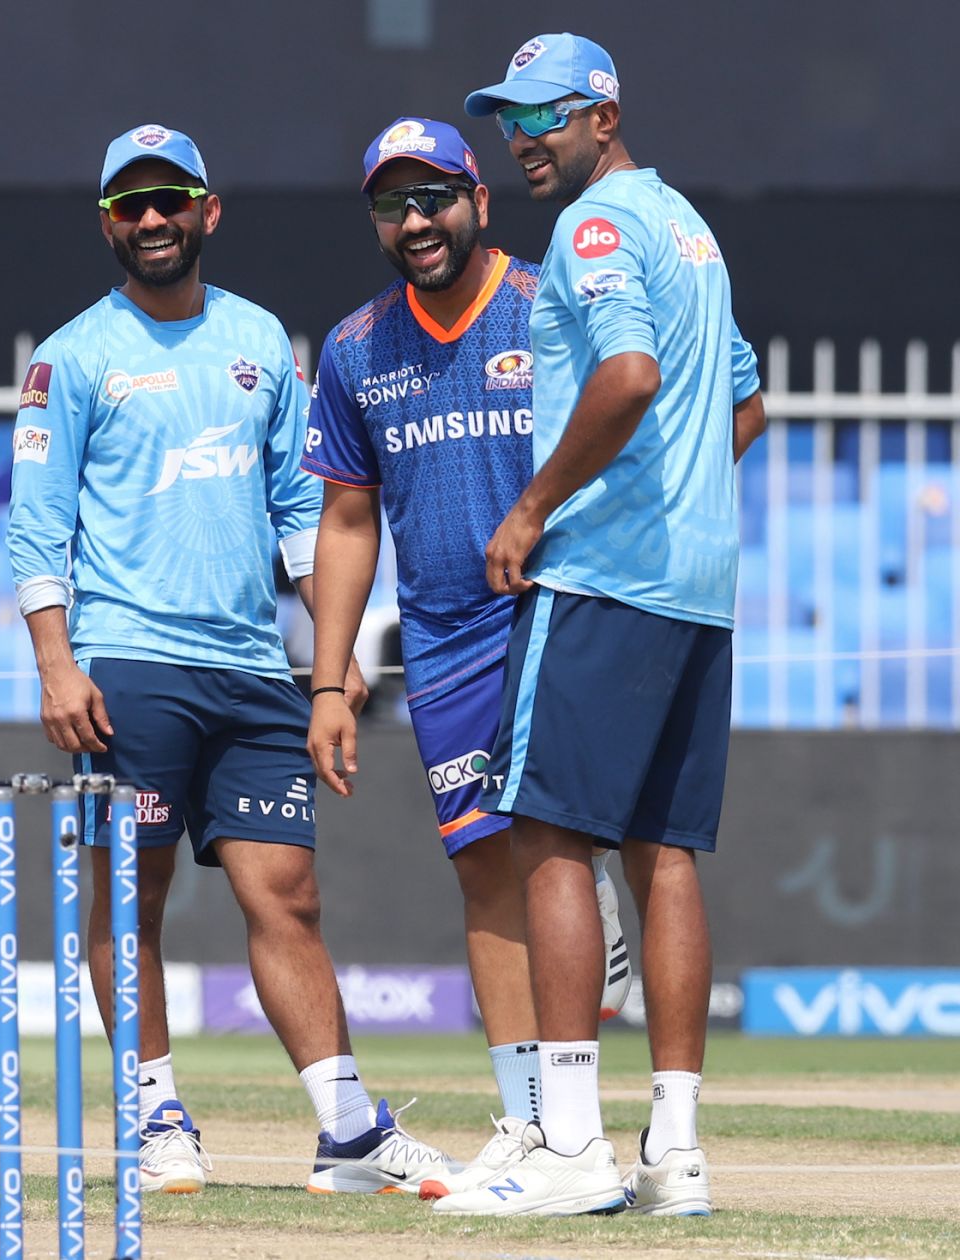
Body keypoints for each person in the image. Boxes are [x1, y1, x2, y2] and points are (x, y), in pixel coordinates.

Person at [6, 123, 458, 1196]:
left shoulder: (261, 340)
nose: (152, 220)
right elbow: (37, 522)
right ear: (108, 222)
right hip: (131, 664)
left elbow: (306, 513)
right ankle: (159, 1116)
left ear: (210, 210)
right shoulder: (70, 357)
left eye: (171, 200)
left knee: (289, 896)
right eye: (131, 205)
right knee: (133, 901)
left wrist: (332, 672)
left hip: (255, 670)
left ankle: (347, 1132)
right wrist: (56, 663)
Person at [429, 36, 767, 1218]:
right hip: (697, 584)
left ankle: (568, 1145)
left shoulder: (597, 227)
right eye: (511, 118)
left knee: (547, 838)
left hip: (606, 579)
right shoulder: (692, 230)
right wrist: (675, 497)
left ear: (603, 115)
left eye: (545, 117)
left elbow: (624, 378)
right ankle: (674, 1151)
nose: (524, 137)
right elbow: (746, 403)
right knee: (662, 854)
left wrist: (535, 510)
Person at [302, 116, 632, 1197]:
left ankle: (580, 1130)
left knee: (542, 859)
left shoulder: (548, 308)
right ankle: (531, 1124)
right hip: (438, 642)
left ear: (479, 200)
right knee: (483, 875)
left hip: (548, 622)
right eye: (394, 205)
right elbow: (348, 524)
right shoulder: (355, 348)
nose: (416, 222)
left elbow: (640, 425)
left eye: (434, 197)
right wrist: (331, 678)